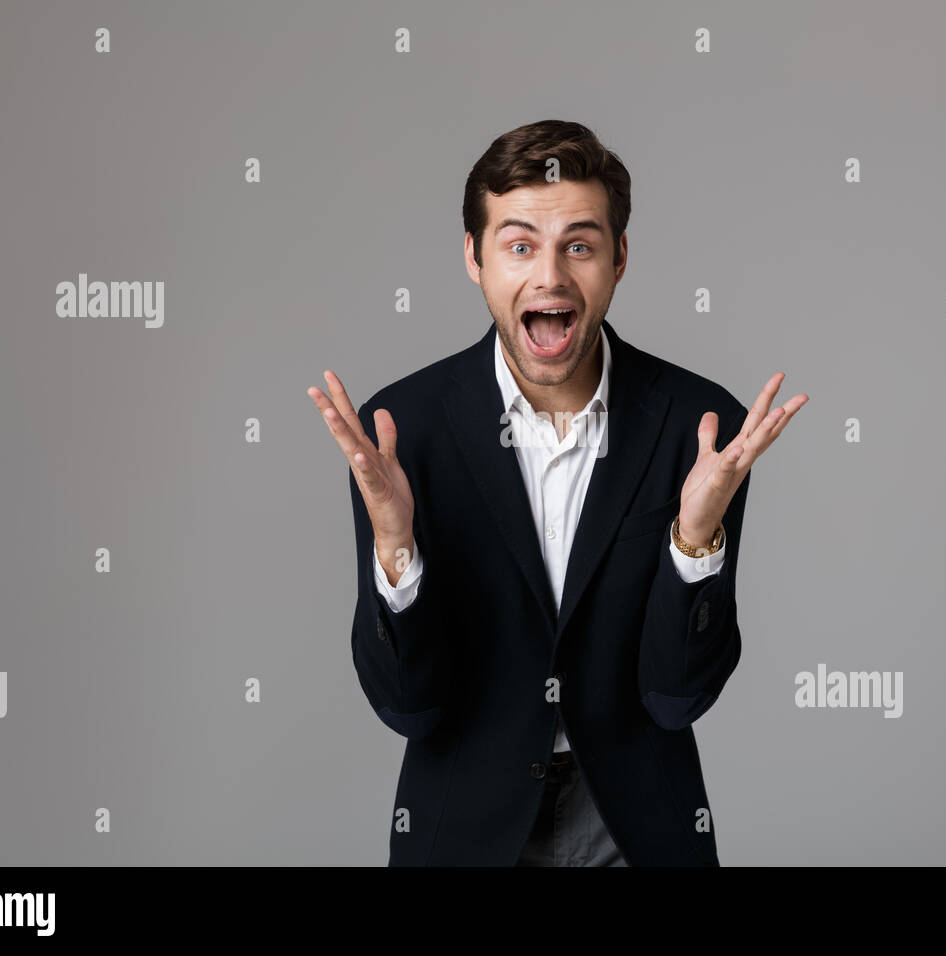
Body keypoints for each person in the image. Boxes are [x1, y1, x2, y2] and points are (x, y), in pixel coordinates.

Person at [307, 120, 806, 866]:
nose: (549, 278)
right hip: (465, 831)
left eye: (579, 244)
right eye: (519, 245)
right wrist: (396, 549)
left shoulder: (700, 429)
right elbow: (408, 705)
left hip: (634, 829)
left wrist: (693, 540)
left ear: (619, 258)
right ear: (474, 259)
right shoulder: (399, 432)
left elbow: (678, 697)